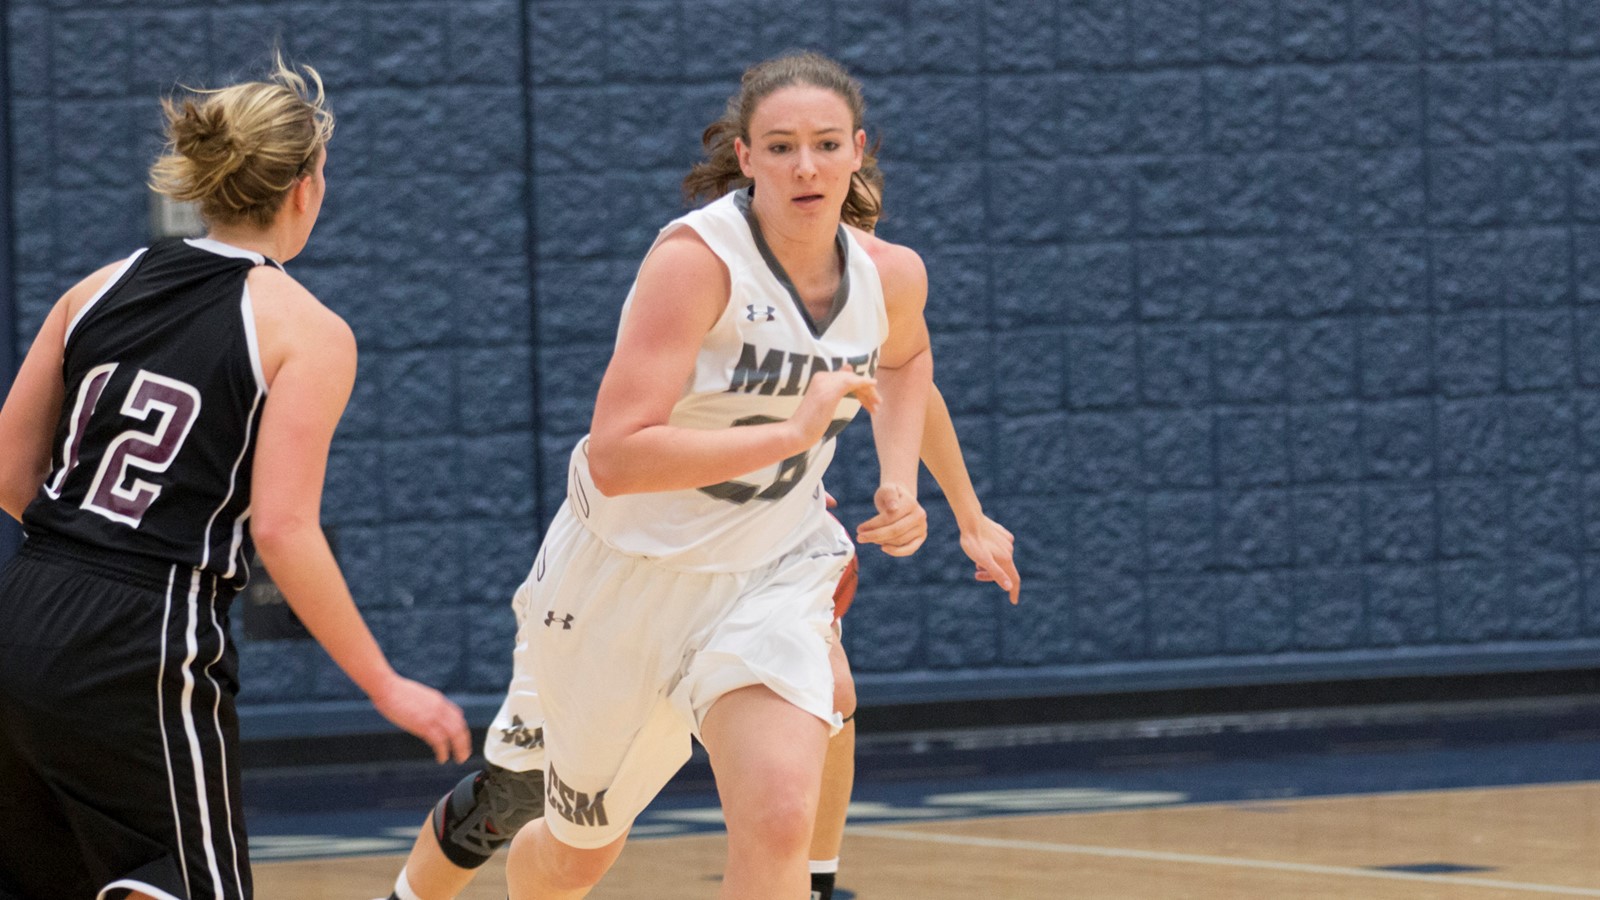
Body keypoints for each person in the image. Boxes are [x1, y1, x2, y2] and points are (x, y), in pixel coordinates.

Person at [0, 58, 470, 900]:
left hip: (25, 605)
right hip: (146, 632)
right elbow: (284, 530)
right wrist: (385, 683)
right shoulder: (308, 330)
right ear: (305, 188)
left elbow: (8, 472)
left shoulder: (93, 289)